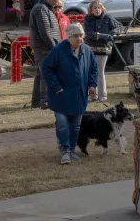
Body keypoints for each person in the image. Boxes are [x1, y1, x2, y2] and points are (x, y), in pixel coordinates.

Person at [39, 23, 97, 165]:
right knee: (63, 124)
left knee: (76, 125)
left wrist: (92, 85)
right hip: (61, 96)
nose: (79, 39)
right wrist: (57, 86)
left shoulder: (87, 51)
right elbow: (46, 69)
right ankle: (64, 151)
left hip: (79, 96)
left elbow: (93, 69)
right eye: (76, 36)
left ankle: (71, 150)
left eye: (81, 36)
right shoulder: (58, 51)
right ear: (69, 37)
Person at [29, 0, 62, 109]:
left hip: (44, 47)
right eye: (55, 0)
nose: (57, 3)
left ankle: (37, 101)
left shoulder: (46, 8)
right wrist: (54, 47)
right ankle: (45, 101)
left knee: (40, 74)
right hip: (44, 48)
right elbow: (45, 32)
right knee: (46, 74)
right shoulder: (41, 9)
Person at [84, 0, 119, 101]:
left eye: (99, 8)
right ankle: (93, 95)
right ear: (91, 9)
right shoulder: (88, 19)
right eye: (95, 8)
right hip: (90, 49)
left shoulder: (108, 17)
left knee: (100, 72)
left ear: (102, 8)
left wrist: (112, 33)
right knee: (90, 72)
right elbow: (90, 34)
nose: (97, 10)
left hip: (103, 49)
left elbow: (119, 27)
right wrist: (105, 36)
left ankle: (102, 96)